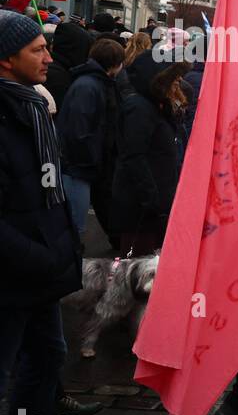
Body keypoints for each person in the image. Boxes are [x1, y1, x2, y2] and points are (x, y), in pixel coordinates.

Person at [0, 10, 83, 415]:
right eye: (36, 50)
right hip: (12, 275)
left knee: (47, 359)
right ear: (6, 60)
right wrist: (39, 255)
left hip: (39, 273)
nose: (49, 58)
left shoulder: (32, 108)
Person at [111, 49, 188, 256]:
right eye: (173, 76)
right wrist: (151, 198)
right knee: (139, 267)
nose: (179, 80)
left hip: (154, 203)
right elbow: (134, 156)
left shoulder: (156, 106)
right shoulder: (140, 108)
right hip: (142, 208)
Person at [57, 38, 126, 240]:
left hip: (84, 166)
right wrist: (94, 159)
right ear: (115, 64)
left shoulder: (95, 83)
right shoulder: (88, 86)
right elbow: (79, 131)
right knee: (75, 227)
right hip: (79, 167)